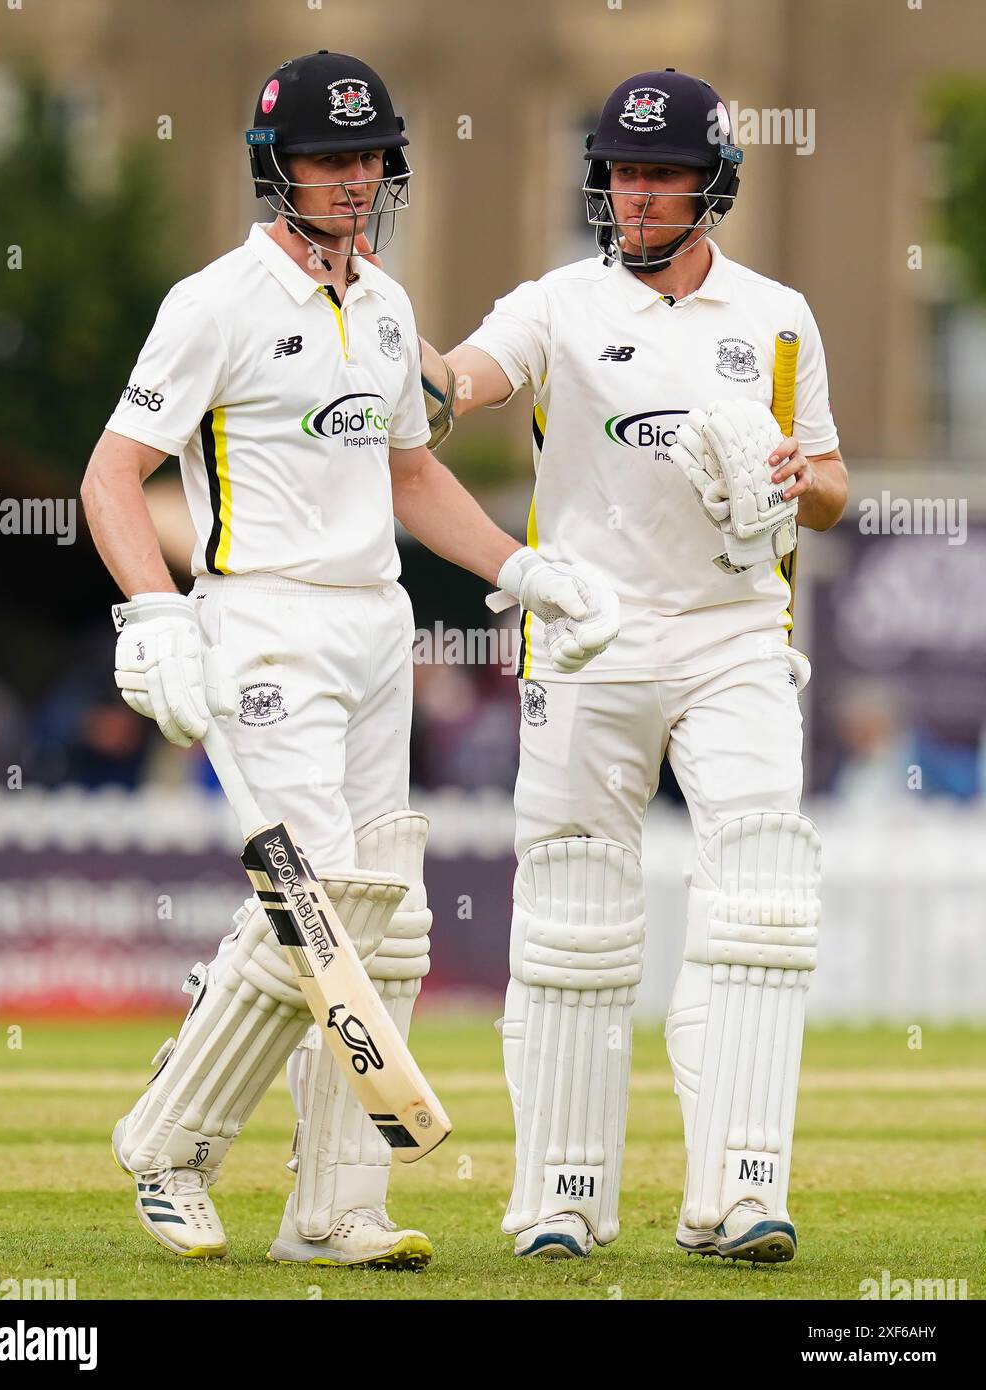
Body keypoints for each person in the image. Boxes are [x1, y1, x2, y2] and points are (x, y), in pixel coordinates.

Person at [81, 50, 618, 1270]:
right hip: (261, 618)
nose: (353, 180)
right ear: (279, 170)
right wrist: (156, 615)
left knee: (386, 926)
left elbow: (410, 474)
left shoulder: (384, 305)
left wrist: (520, 567)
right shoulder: (213, 301)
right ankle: (169, 1143)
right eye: (329, 159)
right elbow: (113, 475)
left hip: (376, 623)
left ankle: (333, 1209)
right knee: (312, 907)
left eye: (369, 157)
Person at [421, 67, 847, 1262]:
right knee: (570, 910)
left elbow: (829, 484)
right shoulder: (558, 300)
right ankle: (561, 1195)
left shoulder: (776, 315)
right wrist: (413, 374)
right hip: (587, 633)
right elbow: (468, 377)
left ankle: (738, 1187)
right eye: (621, 172)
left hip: (732, 635)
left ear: (711, 185)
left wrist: (788, 481)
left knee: (761, 889)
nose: (639, 195)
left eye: (662, 175)